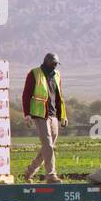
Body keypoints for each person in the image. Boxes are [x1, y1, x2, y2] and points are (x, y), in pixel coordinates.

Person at [21, 53, 67, 183]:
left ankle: (29, 172)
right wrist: (27, 114)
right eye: (53, 64)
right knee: (48, 145)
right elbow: (26, 95)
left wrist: (63, 115)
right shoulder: (34, 74)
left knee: (48, 147)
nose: (54, 66)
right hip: (40, 115)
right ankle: (51, 175)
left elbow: (59, 97)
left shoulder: (57, 75)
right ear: (46, 62)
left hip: (53, 115)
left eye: (56, 64)